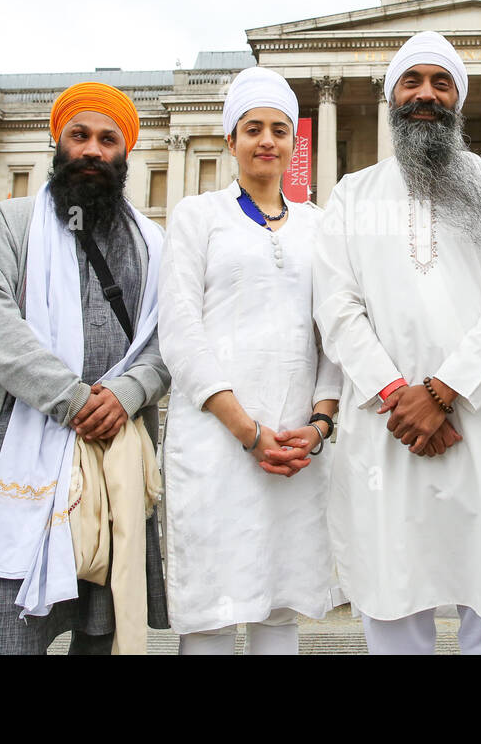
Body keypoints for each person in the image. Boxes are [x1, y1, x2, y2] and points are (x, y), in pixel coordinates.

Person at [313, 31, 481, 654]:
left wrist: (444, 392)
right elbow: (337, 308)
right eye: (411, 82)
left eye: (441, 82)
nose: (426, 94)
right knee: (392, 600)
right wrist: (401, 396)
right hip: (388, 429)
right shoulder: (351, 195)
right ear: (391, 97)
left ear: (460, 99)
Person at [0, 82, 169, 655]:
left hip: (110, 455)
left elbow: (168, 341)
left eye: (108, 139)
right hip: (8, 445)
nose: (92, 150)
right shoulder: (9, 222)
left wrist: (128, 392)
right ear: (58, 143)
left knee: (96, 631)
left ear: (125, 153)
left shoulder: (155, 243)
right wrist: (74, 400)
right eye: (78, 136)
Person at [157, 66, 341, 655]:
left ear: (294, 142)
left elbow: (332, 330)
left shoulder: (319, 224)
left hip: (294, 441)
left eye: (280, 130)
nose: (267, 140)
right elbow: (180, 330)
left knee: (278, 604)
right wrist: (246, 430)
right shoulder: (197, 216)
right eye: (253, 128)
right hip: (216, 434)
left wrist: (319, 424)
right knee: (212, 607)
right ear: (231, 139)